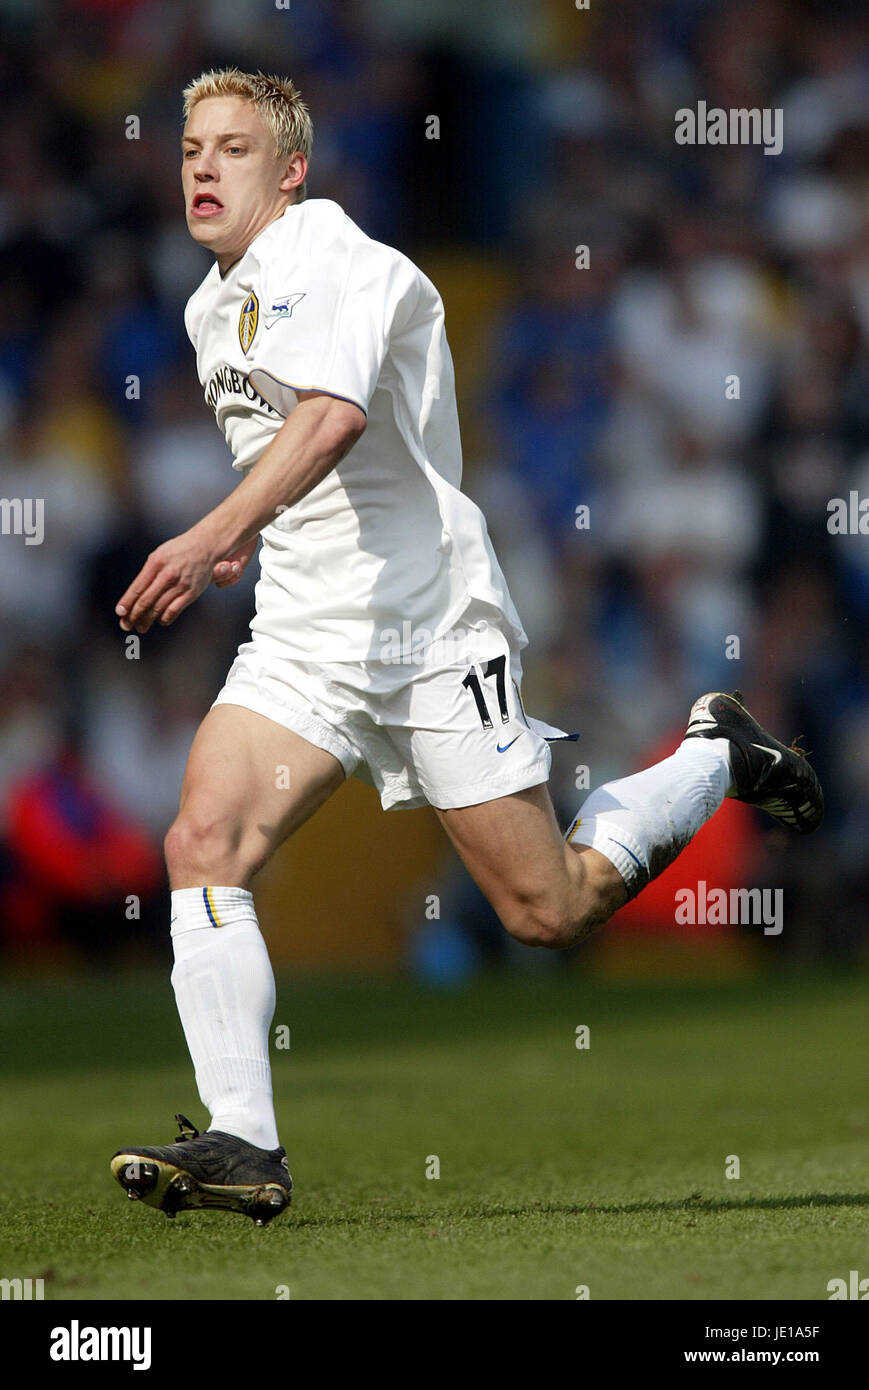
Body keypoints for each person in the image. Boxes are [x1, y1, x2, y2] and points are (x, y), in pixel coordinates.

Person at [110, 69, 823, 1226]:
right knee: (202, 840)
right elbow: (300, 455)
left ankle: (714, 752)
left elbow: (335, 417)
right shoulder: (206, 309)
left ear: (290, 170)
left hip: (427, 623)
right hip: (304, 630)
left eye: (232, 148)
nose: (200, 165)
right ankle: (246, 1137)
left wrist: (210, 534)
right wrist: (254, 534)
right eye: (191, 146)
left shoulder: (339, 258)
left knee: (547, 909)